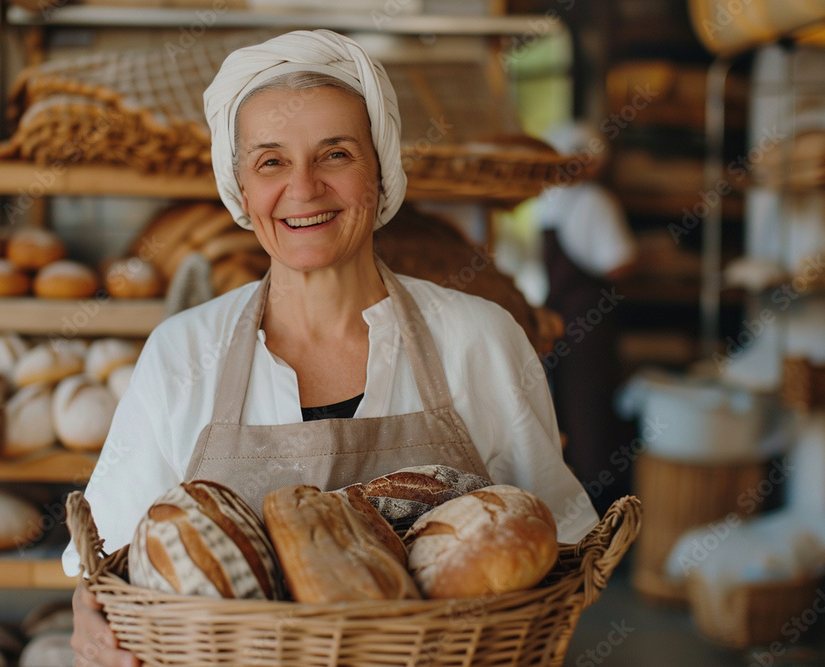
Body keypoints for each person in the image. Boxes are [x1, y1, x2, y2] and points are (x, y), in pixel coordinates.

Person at [65, 29, 599, 667]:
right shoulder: (182, 352)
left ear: (382, 168)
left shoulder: (480, 338)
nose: (305, 187)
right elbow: (108, 559)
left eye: (336, 154)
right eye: (271, 161)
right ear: (239, 186)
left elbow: (563, 555)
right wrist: (86, 611)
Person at [536, 121, 639, 515]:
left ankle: (570, 504)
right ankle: (602, 510)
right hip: (590, 326)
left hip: (557, 321)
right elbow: (619, 264)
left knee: (566, 411)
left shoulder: (550, 200)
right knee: (592, 413)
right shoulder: (596, 201)